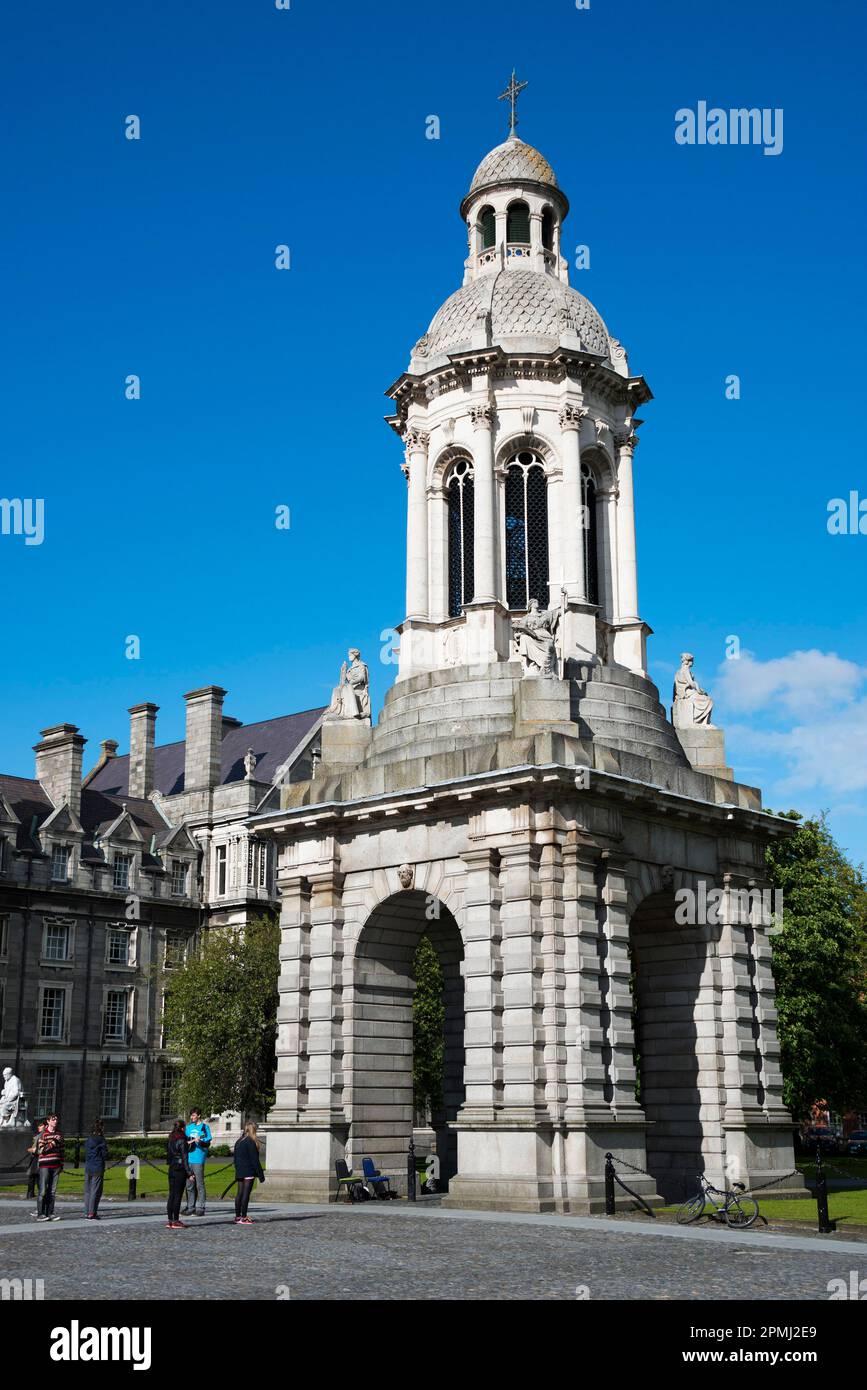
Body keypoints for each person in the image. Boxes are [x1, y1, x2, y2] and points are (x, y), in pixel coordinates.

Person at [232, 1122, 265, 1225]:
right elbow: (254, 1160)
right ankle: (244, 1217)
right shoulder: (250, 1141)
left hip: (240, 1170)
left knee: (239, 1194)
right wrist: (261, 1175)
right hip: (248, 1170)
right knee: (246, 1194)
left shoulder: (239, 1141)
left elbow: (235, 1158)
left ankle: (238, 1216)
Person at [183, 1108, 212, 1216]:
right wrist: (189, 1142)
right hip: (188, 1159)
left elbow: (208, 1143)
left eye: (194, 1115)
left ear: (199, 1116)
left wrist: (199, 1142)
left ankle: (201, 1207)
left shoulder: (204, 1127)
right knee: (189, 1185)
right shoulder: (189, 1127)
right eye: (191, 1115)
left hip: (198, 1159)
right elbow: (185, 1141)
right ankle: (190, 1207)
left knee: (200, 1185)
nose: (192, 1117)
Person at [35, 1113, 64, 1221]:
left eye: (56, 1119)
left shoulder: (59, 1134)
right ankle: (40, 1214)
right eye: (53, 1119)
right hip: (45, 1165)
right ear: (48, 1121)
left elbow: (62, 1150)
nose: (55, 1121)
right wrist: (53, 1142)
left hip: (56, 1165)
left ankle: (50, 1213)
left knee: (52, 1191)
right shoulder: (43, 1134)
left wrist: (61, 1164)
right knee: (43, 1191)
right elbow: (42, 1150)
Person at [166, 1119, 191, 1229]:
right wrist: (189, 1172)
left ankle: (170, 1220)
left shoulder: (171, 1138)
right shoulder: (182, 1140)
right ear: (182, 1128)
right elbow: (185, 1157)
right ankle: (175, 1220)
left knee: (171, 1194)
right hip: (180, 1168)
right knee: (177, 1195)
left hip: (172, 1167)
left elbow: (169, 1155)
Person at [84, 1120, 109, 1219]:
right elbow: (105, 1154)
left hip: (88, 1166)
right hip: (97, 1166)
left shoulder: (89, 1139)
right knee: (96, 1191)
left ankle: (87, 1212)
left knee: (88, 1191)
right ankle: (92, 1213)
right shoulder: (101, 1140)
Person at [26, 1118, 45, 1204]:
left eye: (41, 1125)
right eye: (38, 1126)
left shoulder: (43, 1135)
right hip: (35, 1158)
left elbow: (40, 1149)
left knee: (37, 1176)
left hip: (39, 1158)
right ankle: (30, 1193)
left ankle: (38, 1194)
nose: (39, 1127)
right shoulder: (38, 1135)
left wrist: (33, 1150)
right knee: (33, 1176)